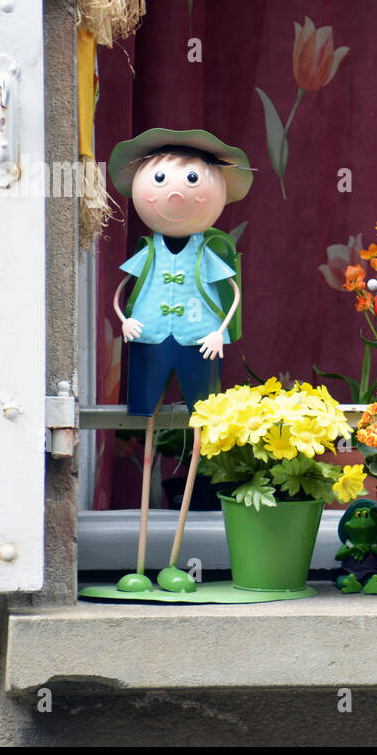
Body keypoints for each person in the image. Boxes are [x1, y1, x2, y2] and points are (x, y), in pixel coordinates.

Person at [108, 128, 252, 593]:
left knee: (200, 424)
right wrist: (124, 322)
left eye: (192, 179)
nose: (175, 189)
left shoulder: (207, 250)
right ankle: (138, 564)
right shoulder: (146, 251)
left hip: (196, 343)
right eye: (164, 177)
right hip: (150, 340)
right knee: (147, 426)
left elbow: (230, 294)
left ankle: (172, 563)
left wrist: (219, 331)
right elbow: (120, 295)